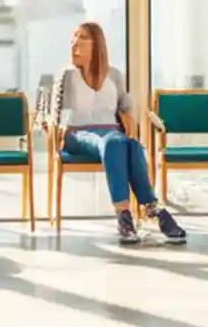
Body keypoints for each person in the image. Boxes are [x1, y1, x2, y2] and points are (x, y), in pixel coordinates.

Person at [51, 22, 186, 245]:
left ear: (97, 44)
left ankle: (137, 213)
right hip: (76, 134)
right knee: (117, 142)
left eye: (81, 38)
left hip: (110, 135)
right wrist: (55, 129)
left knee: (130, 144)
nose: (74, 43)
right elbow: (53, 112)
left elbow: (126, 105)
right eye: (73, 38)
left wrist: (129, 119)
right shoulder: (67, 75)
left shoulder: (113, 75)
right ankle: (143, 209)